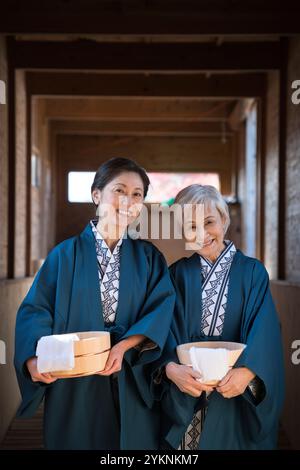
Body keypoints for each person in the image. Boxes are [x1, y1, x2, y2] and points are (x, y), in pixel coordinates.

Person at [14, 157, 175, 450]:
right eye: (120, 190)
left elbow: (162, 307)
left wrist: (125, 345)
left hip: (130, 373)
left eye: (137, 194)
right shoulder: (64, 256)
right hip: (75, 378)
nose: (128, 200)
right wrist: (32, 359)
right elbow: (35, 310)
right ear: (96, 194)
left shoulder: (150, 258)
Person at [159, 184, 284, 450]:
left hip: (235, 389)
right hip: (190, 390)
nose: (202, 233)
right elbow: (163, 329)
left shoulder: (252, 272)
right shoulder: (177, 274)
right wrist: (172, 368)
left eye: (209, 222)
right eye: (192, 226)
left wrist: (249, 371)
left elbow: (266, 331)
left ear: (224, 220)